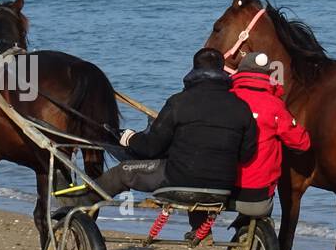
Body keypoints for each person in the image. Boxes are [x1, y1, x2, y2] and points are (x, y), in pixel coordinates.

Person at [56, 47, 256, 208]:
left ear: (194, 71)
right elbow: (246, 154)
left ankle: (81, 200)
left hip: (180, 182)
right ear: (222, 72)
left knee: (123, 171)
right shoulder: (241, 107)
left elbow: (150, 148)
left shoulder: (179, 102)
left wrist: (129, 138)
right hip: (222, 188)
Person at [229, 51, 311, 205]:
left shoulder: (228, 98)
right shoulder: (275, 105)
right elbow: (301, 143)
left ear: (241, 71)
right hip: (258, 191)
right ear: (268, 74)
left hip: (225, 185)